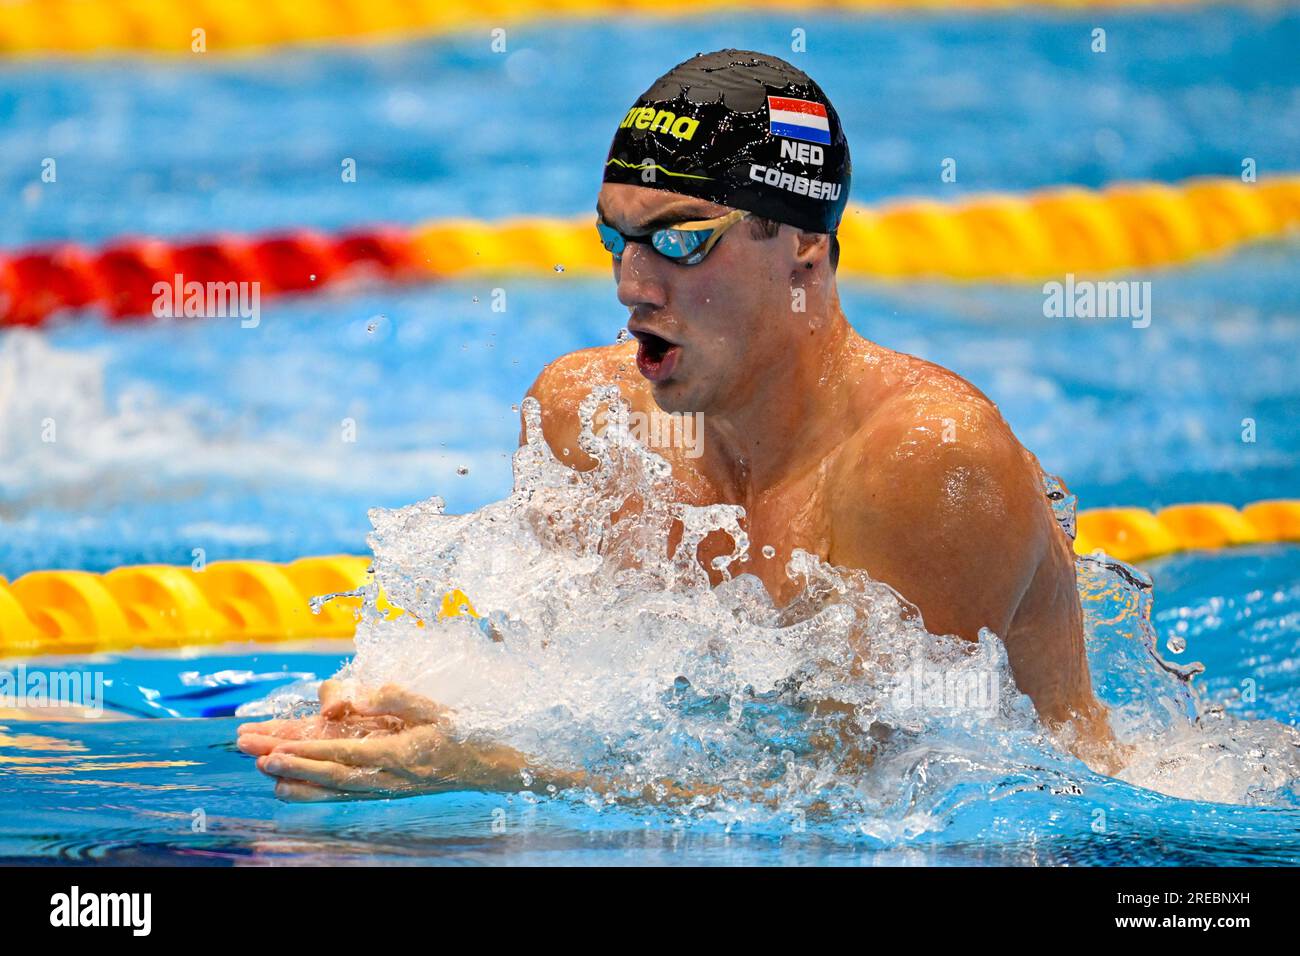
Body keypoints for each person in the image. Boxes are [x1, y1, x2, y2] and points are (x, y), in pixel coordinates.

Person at [238, 49, 1121, 801]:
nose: (632, 284)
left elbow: (870, 803)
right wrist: (422, 718)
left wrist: (495, 767)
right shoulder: (588, 417)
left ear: (804, 247)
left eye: (681, 239)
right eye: (616, 238)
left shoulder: (925, 466)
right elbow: (590, 701)